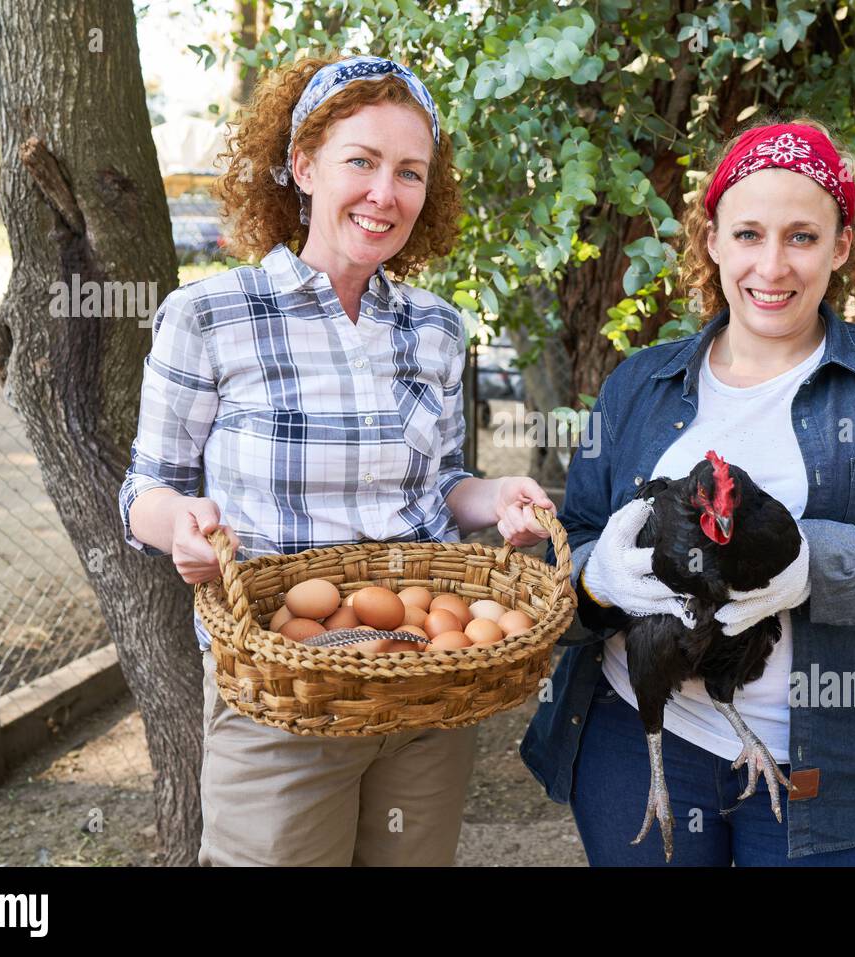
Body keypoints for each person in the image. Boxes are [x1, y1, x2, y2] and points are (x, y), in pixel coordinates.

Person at [520, 117, 855, 866]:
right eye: (748, 233)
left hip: (827, 770)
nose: (772, 266)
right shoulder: (639, 386)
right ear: (711, 239)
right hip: (636, 736)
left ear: (842, 247)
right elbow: (572, 545)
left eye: (802, 237)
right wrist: (592, 577)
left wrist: (815, 567)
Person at [119, 54, 554, 867]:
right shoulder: (211, 315)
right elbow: (146, 489)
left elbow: (443, 483)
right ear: (304, 164)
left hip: (426, 683)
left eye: (409, 172)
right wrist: (183, 524)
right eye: (361, 161)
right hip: (285, 692)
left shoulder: (436, 327)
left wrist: (495, 498)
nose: (385, 194)